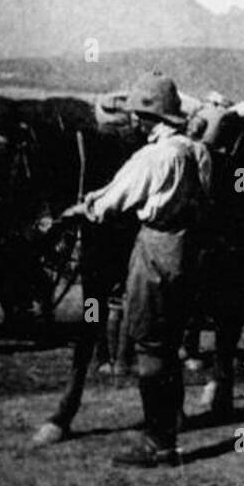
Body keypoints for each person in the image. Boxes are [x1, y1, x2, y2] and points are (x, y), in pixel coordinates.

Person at [66, 72, 212, 466]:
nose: (132, 122)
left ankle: (157, 442)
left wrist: (84, 206)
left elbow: (114, 200)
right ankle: (168, 429)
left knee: (149, 345)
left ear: (148, 118)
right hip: (186, 248)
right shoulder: (194, 151)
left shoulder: (152, 156)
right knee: (167, 344)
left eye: (136, 115)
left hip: (155, 248)